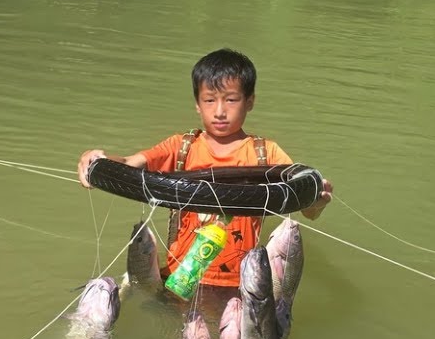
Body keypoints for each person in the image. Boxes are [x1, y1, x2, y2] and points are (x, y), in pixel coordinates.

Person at [77, 49, 332, 299]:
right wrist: (97, 161)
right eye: (209, 100)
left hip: (241, 288)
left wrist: (317, 201)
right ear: (197, 104)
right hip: (177, 281)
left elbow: (304, 205)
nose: (219, 111)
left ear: (250, 101)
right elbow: (129, 164)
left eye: (231, 100)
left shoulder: (266, 153)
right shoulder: (181, 147)